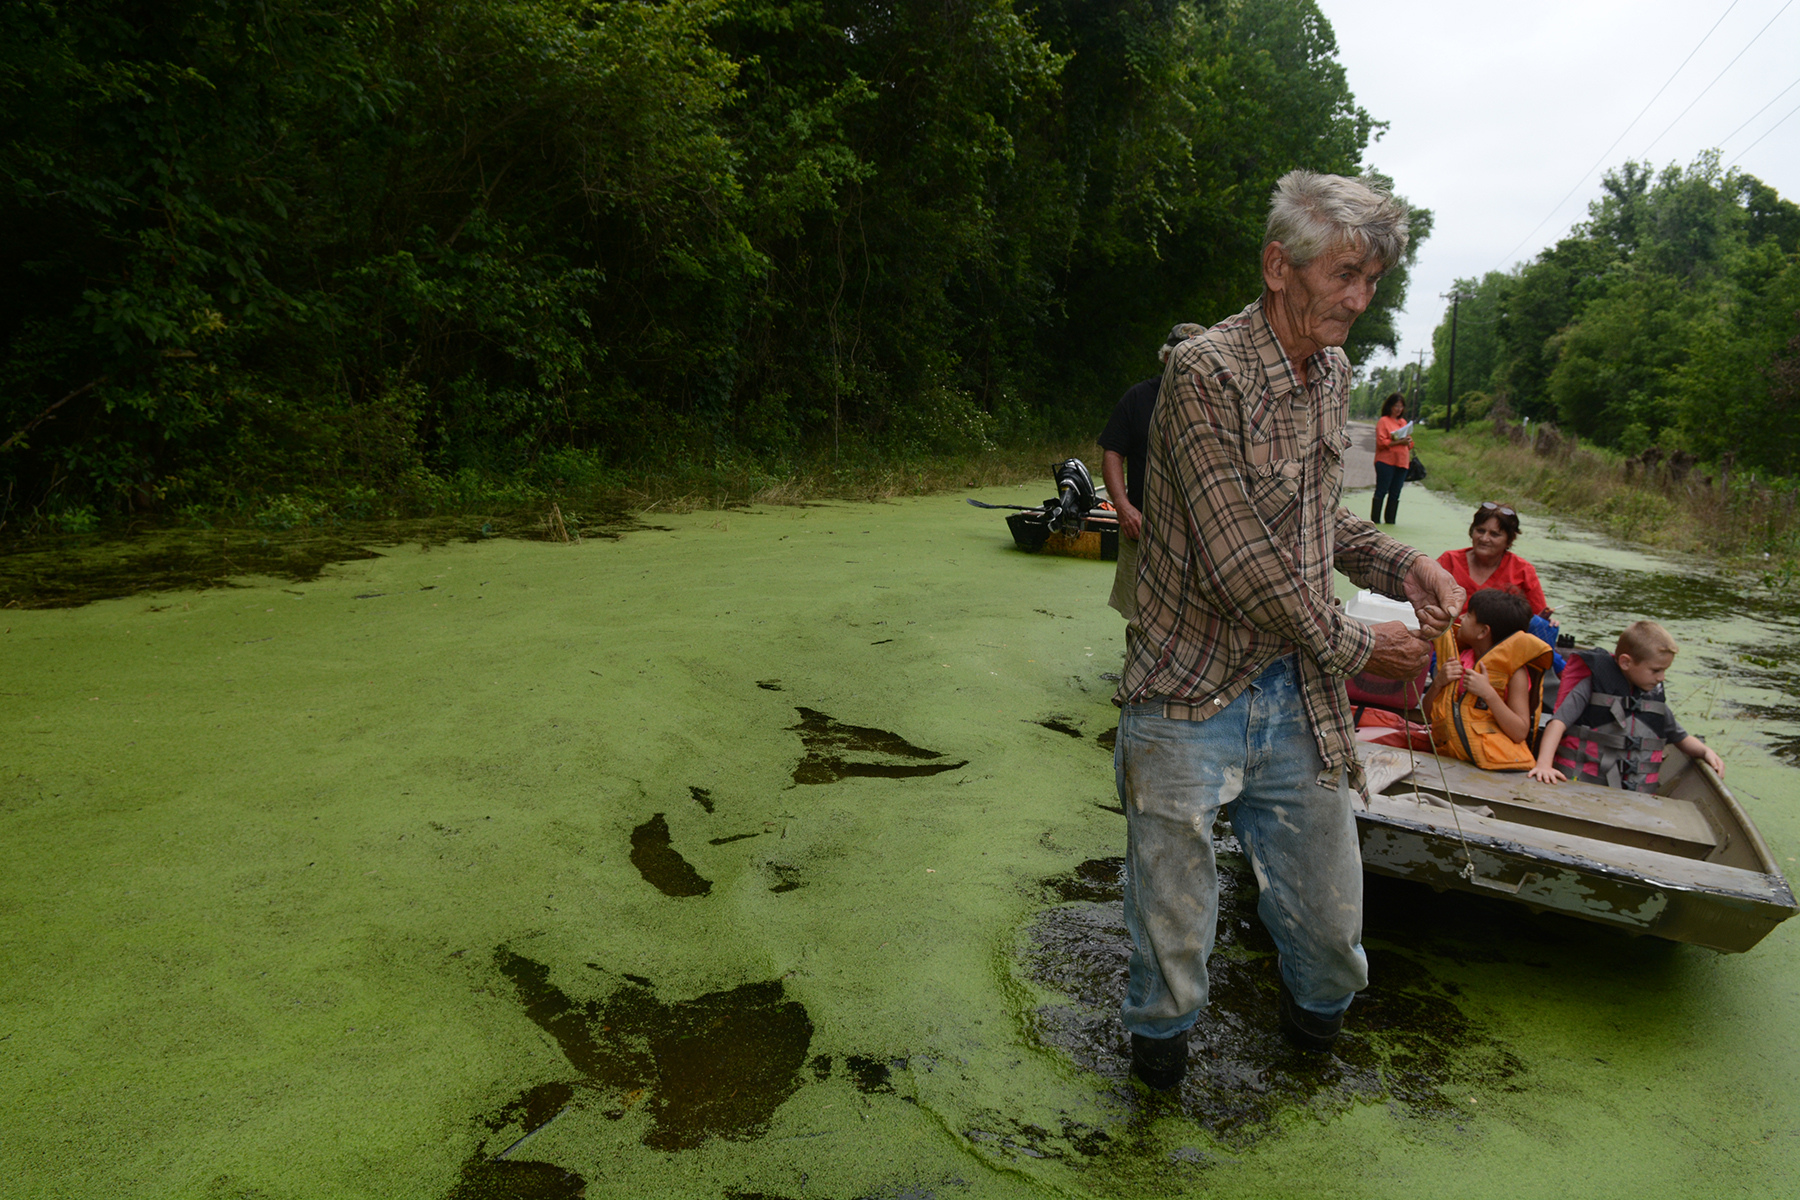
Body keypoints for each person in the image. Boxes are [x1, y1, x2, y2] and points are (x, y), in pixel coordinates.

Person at [1113, 170, 1464, 1088]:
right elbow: (1237, 557)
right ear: (1279, 266)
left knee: (1332, 934)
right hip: (1188, 688)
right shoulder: (1206, 372)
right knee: (1171, 940)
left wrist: (1404, 565)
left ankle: (1310, 1052)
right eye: (1345, 274)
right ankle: (1157, 1076)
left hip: (1296, 692)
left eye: (1373, 280)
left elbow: (1318, 521)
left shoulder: (1333, 373)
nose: (1360, 299)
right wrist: (1362, 646)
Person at [1528, 620, 1725, 790]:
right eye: (1656, 670)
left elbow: (1680, 737)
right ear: (1625, 662)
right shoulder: (1590, 686)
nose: (1661, 678)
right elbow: (1558, 723)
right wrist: (1544, 764)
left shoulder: (1652, 697)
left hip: (1631, 796)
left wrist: (1705, 751)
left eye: (1664, 670)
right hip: (1580, 786)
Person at [1100, 323, 1207, 623]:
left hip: (1199, 535)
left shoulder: (1221, 403)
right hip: (1142, 528)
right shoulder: (1138, 398)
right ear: (1166, 358)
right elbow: (1112, 452)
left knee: (1195, 622)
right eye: (1181, 357)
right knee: (1139, 616)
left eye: (1198, 358)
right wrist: (1122, 507)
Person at [1424, 589, 1552, 771]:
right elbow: (1427, 714)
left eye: (1469, 615)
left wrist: (1488, 693)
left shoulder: (1516, 674)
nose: (1461, 618)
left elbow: (1520, 732)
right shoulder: (1459, 659)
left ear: (1483, 631)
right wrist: (1438, 683)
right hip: (1448, 757)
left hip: (1494, 768)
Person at [1437, 502, 1553, 619]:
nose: (1484, 539)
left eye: (1494, 534)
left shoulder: (1523, 571)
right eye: (1480, 531)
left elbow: (1539, 617)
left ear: (1510, 539)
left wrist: (1548, 623)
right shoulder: (1448, 560)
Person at [1370, 392, 1412, 525]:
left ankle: (1390, 520)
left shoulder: (1403, 422)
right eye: (1396, 406)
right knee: (1382, 490)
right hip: (1386, 461)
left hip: (1402, 462)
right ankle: (1375, 521)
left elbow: (1410, 444)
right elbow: (1381, 442)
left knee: (1395, 493)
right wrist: (1399, 442)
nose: (1399, 409)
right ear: (1390, 406)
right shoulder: (1383, 421)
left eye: (1401, 406)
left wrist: (1408, 441)